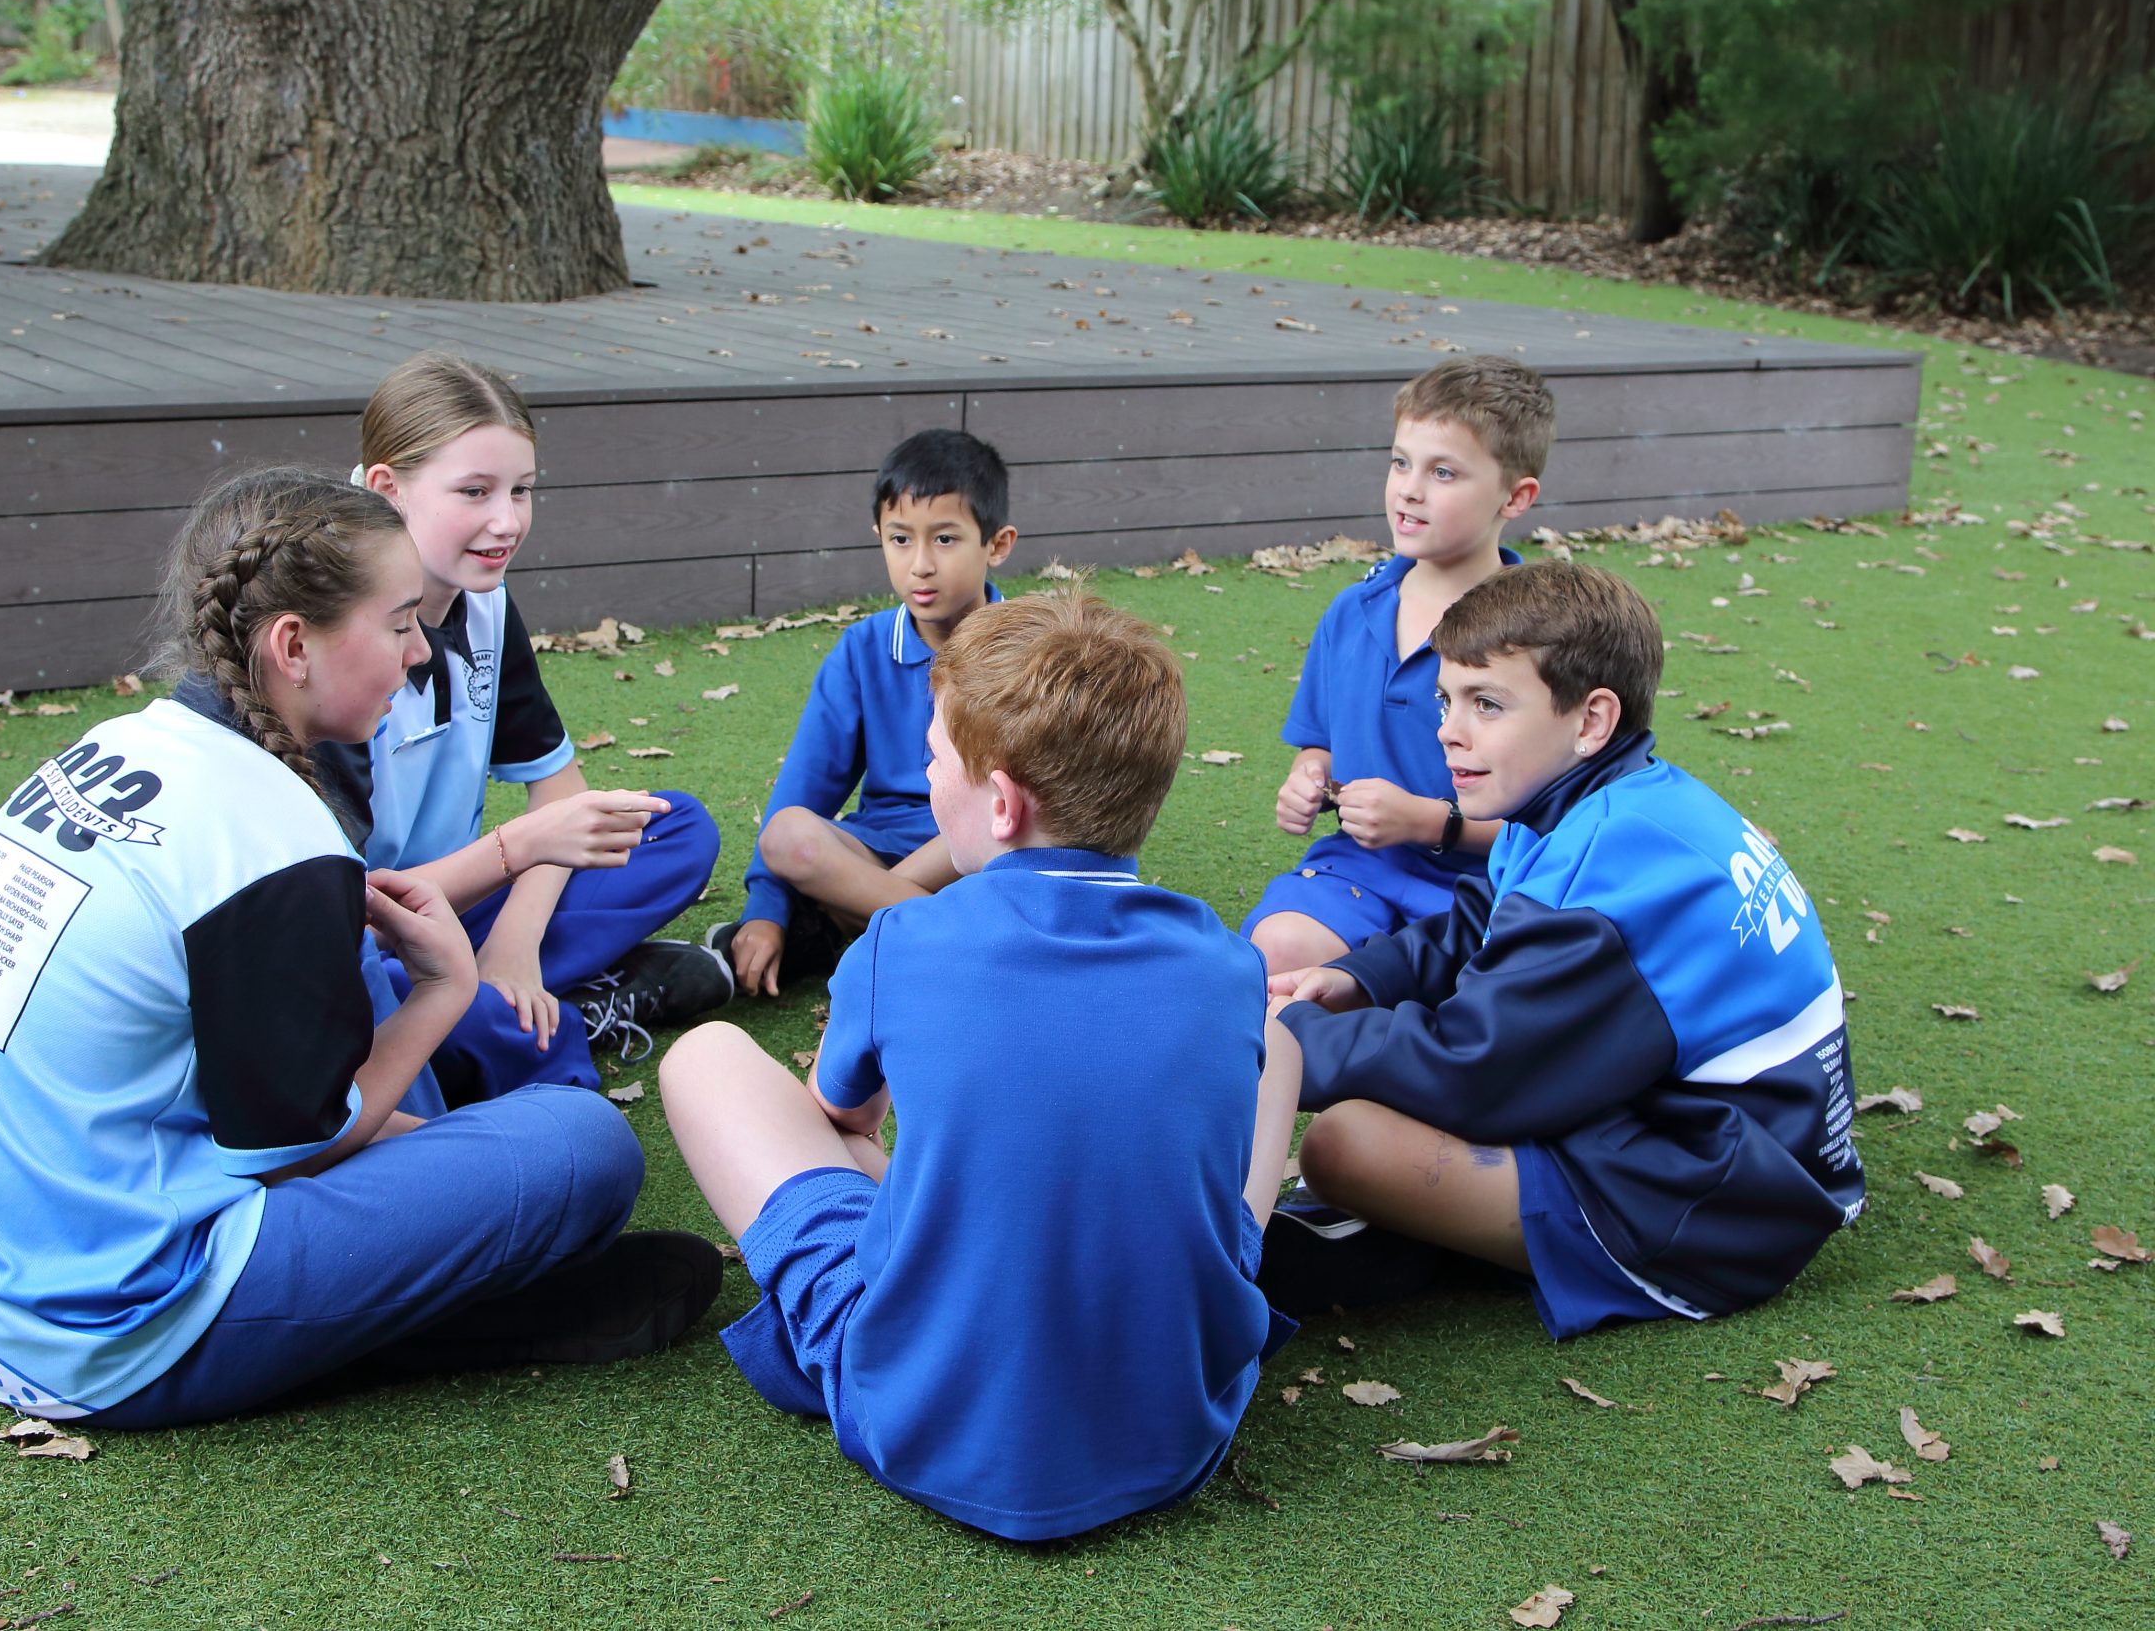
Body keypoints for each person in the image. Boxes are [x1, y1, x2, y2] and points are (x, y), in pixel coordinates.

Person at [0, 470, 720, 1428]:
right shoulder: (273, 839)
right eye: (400, 624)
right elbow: (298, 1150)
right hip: (105, 1329)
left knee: (384, 993)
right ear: (293, 646)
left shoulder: (124, 744)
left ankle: (421, 1282)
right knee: (581, 1146)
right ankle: (430, 1319)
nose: (419, 652)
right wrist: (444, 993)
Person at [660, 593, 1301, 1542]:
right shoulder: (1227, 961)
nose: (926, 774)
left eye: (933, 757)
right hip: (1176, 1433)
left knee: (706, 1056)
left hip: (918, 1420)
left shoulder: (900, 940)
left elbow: (842, 1121)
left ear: (1001, 803)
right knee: (1279, 1038)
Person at [1263, 562, 1863, 1339]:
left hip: (1721, 1200)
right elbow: (1475, 924)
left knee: (1347, 1147)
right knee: (1372, 1099)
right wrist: (1357, 978)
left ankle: (1425, 1242)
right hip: (1712, 1134)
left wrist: (1282, 1041)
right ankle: (1423, 1236)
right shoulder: (1601, 801)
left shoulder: (1611, 874)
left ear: (1591, 720)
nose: (1448, 729)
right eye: (1446, 700)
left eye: (1486, 703)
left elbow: (1472, 1067)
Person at [332, 351, 729, 1103]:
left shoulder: (484, 596)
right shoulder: (333, 635)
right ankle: (558, 1010)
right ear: (386, 489)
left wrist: (516, 942)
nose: (507, 521)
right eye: (474, 491)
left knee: (671, 827)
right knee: (405, 996)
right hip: (368, 939)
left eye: (522, 490)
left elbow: (561, 794)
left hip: (463, 904)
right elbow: (340, 916)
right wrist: (514, 857)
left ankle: (517, 995)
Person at [1244, 355, 1553, 977]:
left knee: (1462, 1001)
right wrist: (1309, 780)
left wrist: (1431, 824)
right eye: (1400, 462)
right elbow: (1321, 745)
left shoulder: (1542, 636)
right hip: (1359, 869)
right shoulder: (1351, 611)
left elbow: (1557, 827)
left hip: (1489, 889)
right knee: (1275, 954)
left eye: (1444, 472)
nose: (1410, 489)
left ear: (1515, 496)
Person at [709, 428, 1018, 998]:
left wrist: (873, 891)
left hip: (982, 850)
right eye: (900, 539)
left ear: (995, 545)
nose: (920, 565)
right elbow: (802, 791)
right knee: (787, 836)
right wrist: (766, 910)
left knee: (1012, 833)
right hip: (875, 852)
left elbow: (1025, 802)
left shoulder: (1027, 650)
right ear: (879, 537)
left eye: (945, 539)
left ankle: (850, 924)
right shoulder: (861, 649)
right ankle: (937, 938)